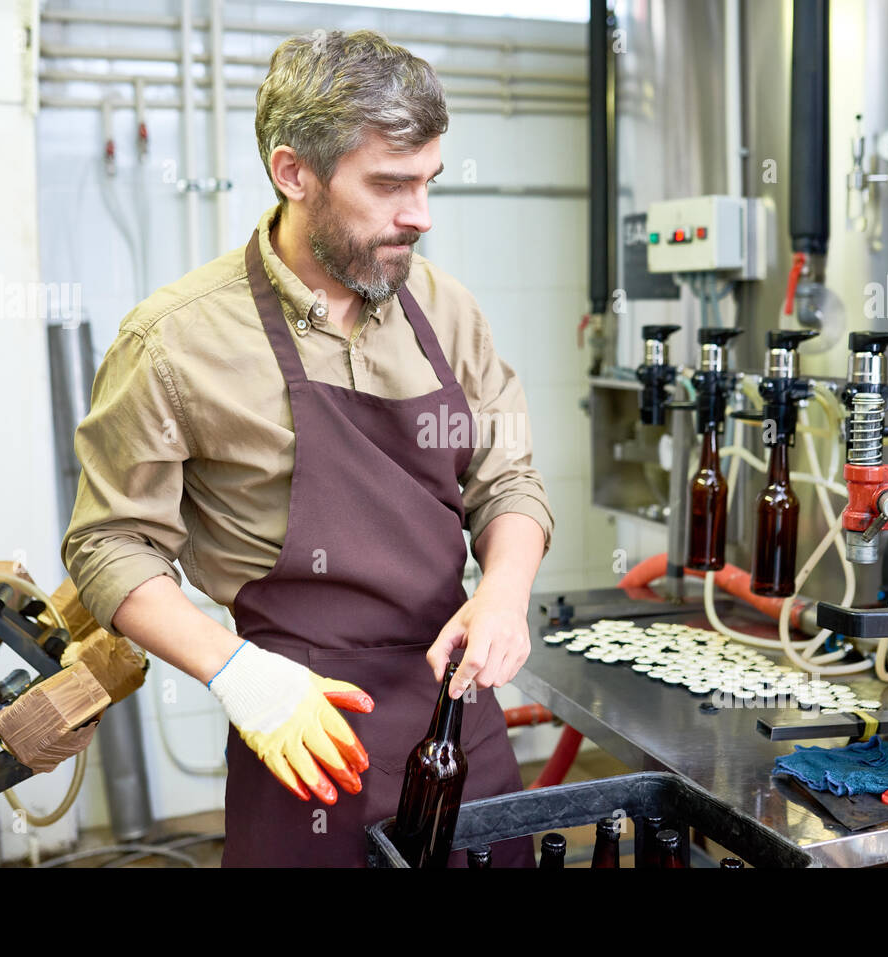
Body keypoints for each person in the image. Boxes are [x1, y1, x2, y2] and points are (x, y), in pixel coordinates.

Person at [61, 28, 554, 867]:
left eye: (429, 182)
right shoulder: (175, 341)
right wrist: (238, 674)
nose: (420, 216)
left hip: (458, 709)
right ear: (294, 172)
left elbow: (506, 478)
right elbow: (108, 543)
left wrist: (504, 593)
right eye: (391, 184)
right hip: (301, 722)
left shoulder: (446, 308)